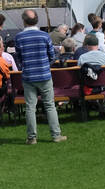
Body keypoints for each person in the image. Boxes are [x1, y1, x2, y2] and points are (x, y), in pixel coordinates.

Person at [13, 8, 67, 144]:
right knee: (50, 105)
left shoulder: (19, 37)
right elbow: (52, 55)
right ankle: (56, 135)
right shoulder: (44, 36)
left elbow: (18, 58)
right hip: (44, 75)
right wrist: (46, 65)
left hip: (29, 75)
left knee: (30, 107)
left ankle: (32, 137)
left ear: (24, 21)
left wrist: (24, 67)